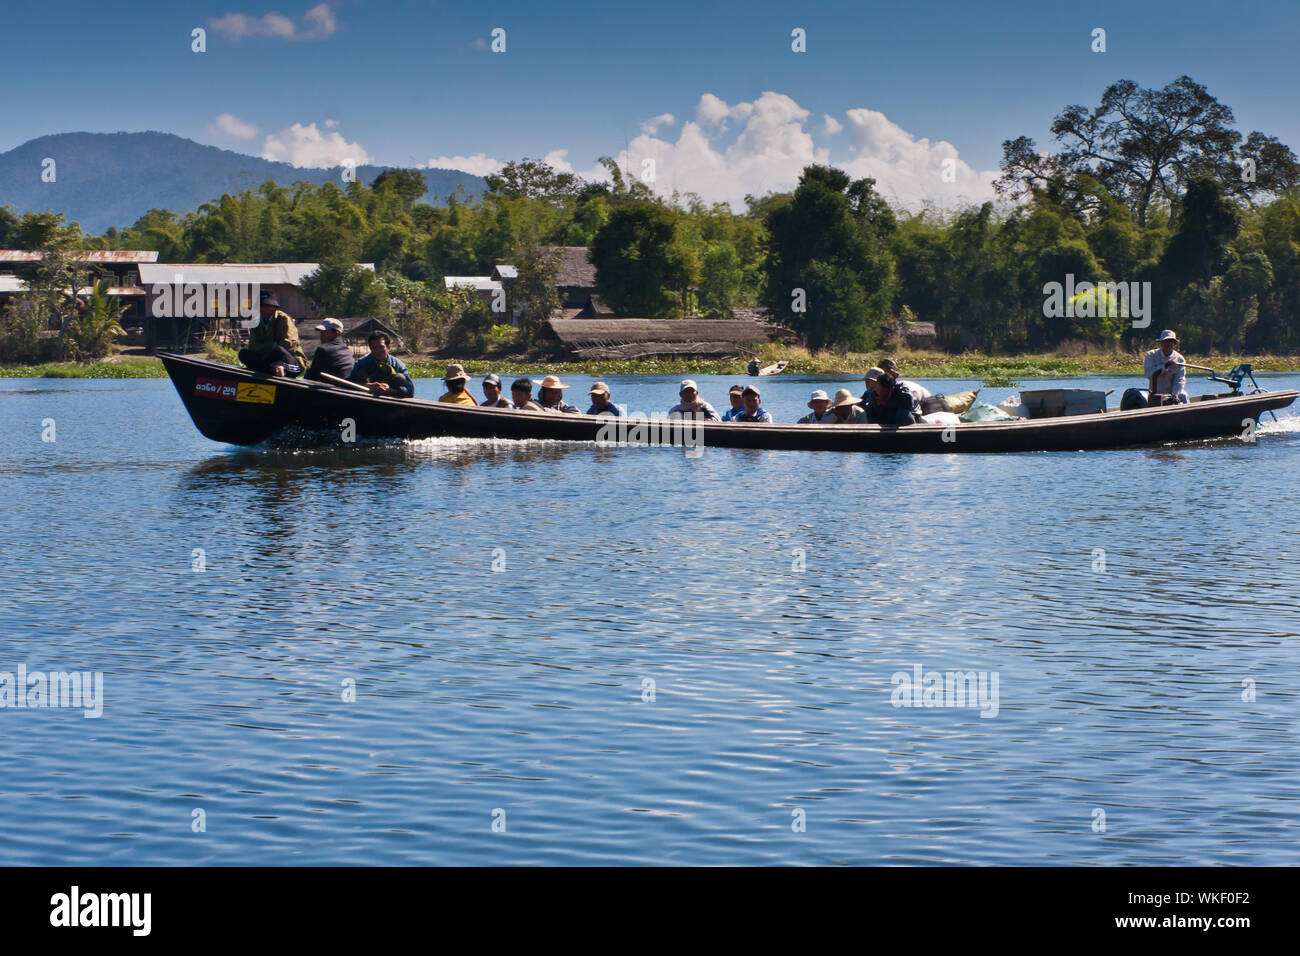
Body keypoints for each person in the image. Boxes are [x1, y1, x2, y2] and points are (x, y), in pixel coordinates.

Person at [239, 292, 306, 377]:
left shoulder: (283, 319)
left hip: (289, 360)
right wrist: (271, 346)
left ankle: (274, 368)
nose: (264, 309)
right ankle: (271, 369)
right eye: (261, 307)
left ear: (274, 308)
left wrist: (267, 348)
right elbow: (252, 346)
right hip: (267, 359)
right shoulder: (256, 322)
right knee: (243, 353)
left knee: (278, 350)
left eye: (267, 306)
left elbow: (287, 344)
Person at [348, 332, 414, 397]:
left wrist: (389, 391)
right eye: (374, 348)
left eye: (381, 347)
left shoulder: (398, 365)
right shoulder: (361, 364)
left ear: (388, 347)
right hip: (367, 402)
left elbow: (410, 390)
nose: (378, 351)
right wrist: (368, 386)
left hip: (392, 403)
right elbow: (349, 384)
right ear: (370, 348)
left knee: (400, 377)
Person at [1143, 329, 1190, 404]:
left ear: (1174, 343)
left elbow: (1180, 380)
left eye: (1170, 342)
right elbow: (1148, 374)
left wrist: (1174, 395)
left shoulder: (1180, 359)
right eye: (1165, 342)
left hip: (1172, 393)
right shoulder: (1151, 355)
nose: (1167, 344)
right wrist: (1164, 366)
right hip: (1155, 393)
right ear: (1160, 343)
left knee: (1184, 396)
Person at [304, 317, 354, 381]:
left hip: (334, 388)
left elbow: (311, 377)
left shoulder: (323, 350)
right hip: (346, 388)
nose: (321, 336)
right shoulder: (347, 350)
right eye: (321, 332)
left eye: (325, 332)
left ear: (336, 333)